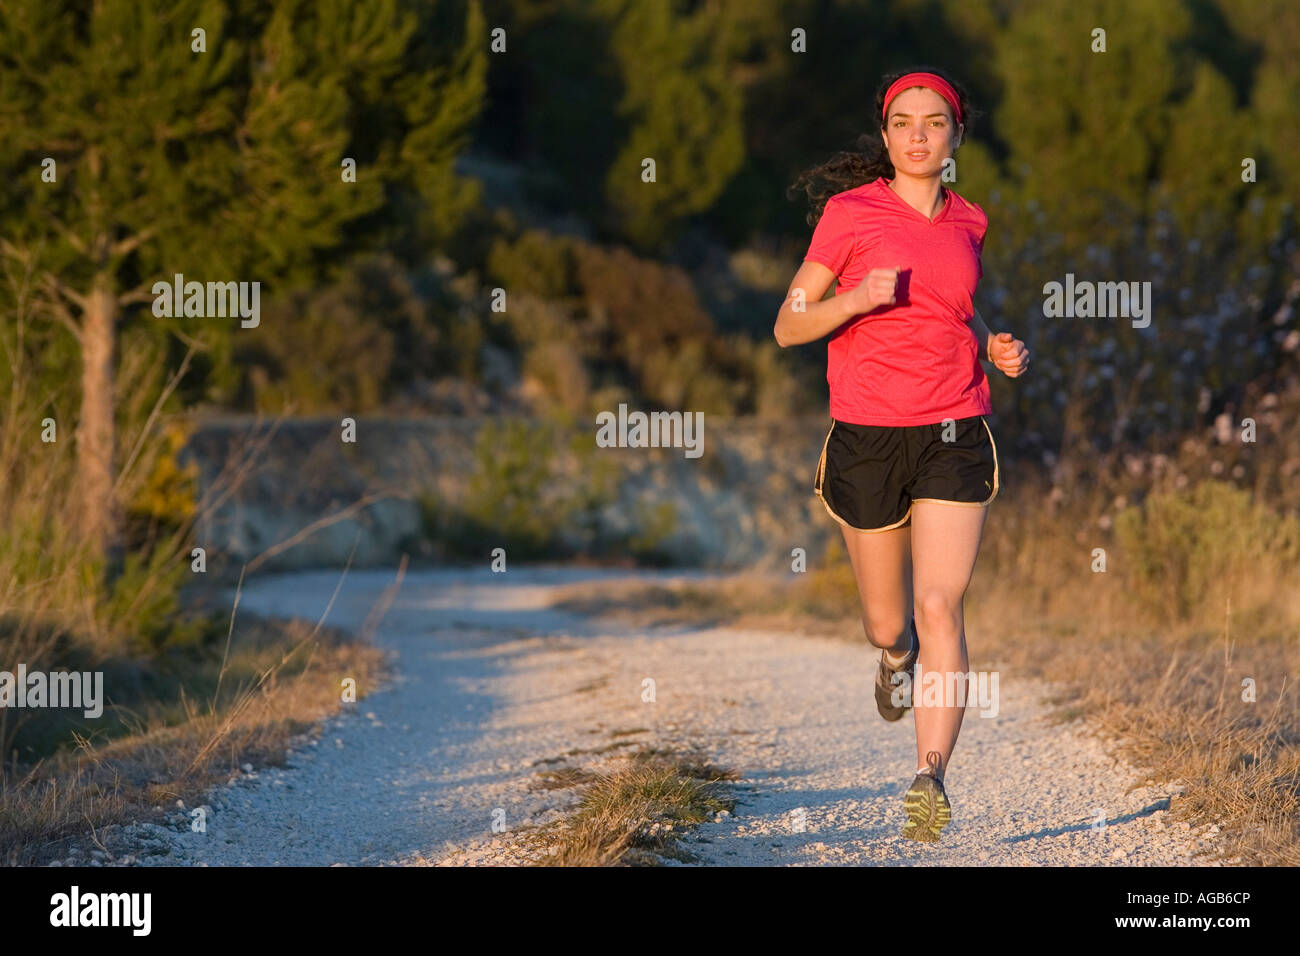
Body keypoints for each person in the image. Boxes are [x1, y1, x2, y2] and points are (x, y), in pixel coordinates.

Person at [774, 67, 1029, 842]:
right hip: (867, 436)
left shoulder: (970, 220)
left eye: (935, 122)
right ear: (885, 136)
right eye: (903, 122)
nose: (919, 134)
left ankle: (930, 775)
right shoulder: (851, 215)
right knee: (890, 623)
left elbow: (957, 299)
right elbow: (789, 323)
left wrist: (994, 344)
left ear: (956, 136)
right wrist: (852, 300)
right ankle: (894, 661)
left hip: (955, 428)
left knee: (940, 602)